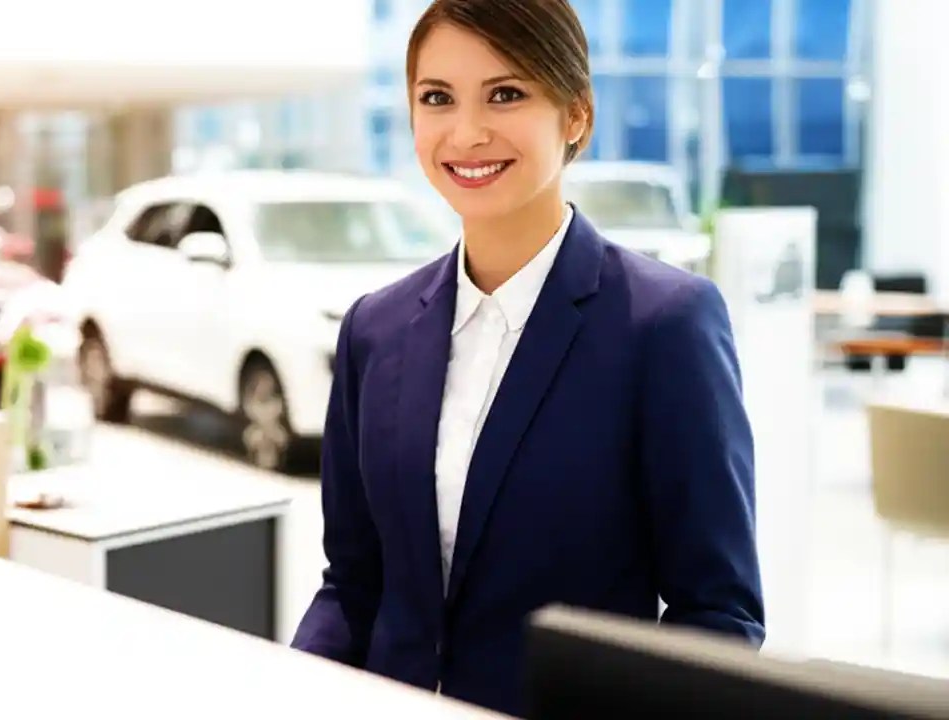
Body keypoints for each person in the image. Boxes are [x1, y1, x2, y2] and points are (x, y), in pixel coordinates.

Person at [290, 0, 765, 716]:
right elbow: (354, 585)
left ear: (576, 115)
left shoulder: (663, 324)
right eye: (436, 98)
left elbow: (719, 614)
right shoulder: (374, 330)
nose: (467, 132)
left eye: (506, 94)